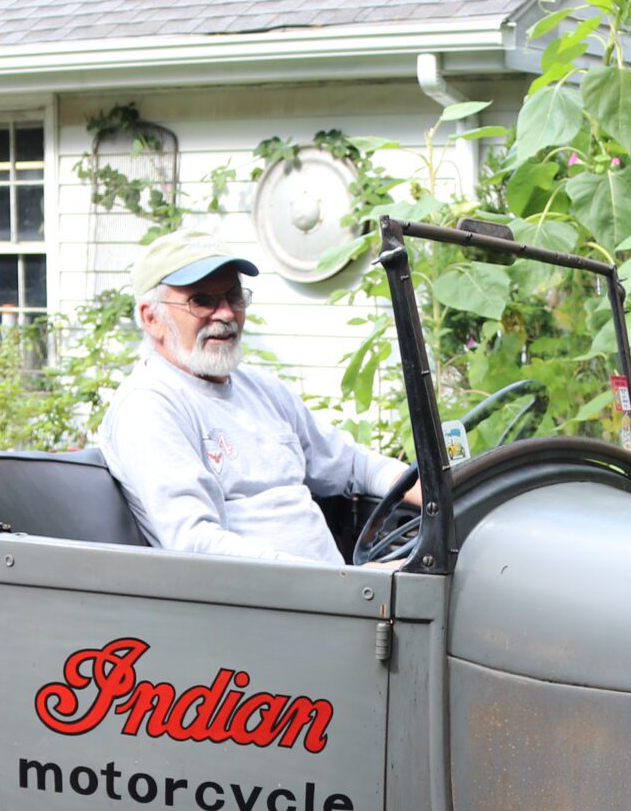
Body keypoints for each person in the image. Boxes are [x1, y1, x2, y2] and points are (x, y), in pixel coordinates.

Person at [96, 232, 416, 564]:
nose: (225, 314)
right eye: (202, 300)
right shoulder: (150, 406)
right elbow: (195, 544)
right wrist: (338, 580)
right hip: (254, 594)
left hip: (331, 588)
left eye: (233, 296)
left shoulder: (261, 389)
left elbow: (354, 465)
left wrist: (437, 492)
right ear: (152, 318)